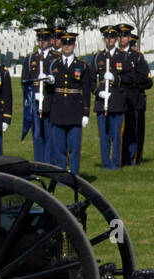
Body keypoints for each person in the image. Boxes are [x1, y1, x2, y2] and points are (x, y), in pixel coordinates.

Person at [44, 30, 92, 173]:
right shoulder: (54, 65)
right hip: (58, 110)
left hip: (74, 110)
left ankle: (74, 175)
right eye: (64, 43)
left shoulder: (82, 65)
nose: (66, 46)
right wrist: (49, 83)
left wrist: (86, 113)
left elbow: (86, 90)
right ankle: (61, 175)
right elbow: (49, 91)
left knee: (74, 147)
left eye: (69, 43)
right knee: (59, 147)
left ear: (74, 45)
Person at [92, 25, 127, 170]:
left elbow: (130, 77)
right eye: (106, 37)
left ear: (116, 39)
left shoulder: (123, 56)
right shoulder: (98, 57)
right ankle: (106, 163)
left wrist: (115, 78)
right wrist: (98, 91)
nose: (109, 40)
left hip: (117, 101)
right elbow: (91, 79)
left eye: (112, 37)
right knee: (103, 135)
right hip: (102, 101)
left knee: (116, 135)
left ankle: (116, 163)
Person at [22, 27, 58, 164]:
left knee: (50, 135)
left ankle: (49, 163)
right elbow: (25, 81)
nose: (41, 42)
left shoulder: (56, 57)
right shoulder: (30, 58)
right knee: (37, 135)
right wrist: (33, 94)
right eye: (39, 39)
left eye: (45, 39)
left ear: (50, 41)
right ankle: (39, 163)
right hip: (35, 102)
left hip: (50, 100)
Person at [117, 23, 150, 165]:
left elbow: (145, 79)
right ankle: (119, 158)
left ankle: (132, 159)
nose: (122, 38)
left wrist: (126, 79)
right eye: (119, 35)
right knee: (118, 132)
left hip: (133, 99)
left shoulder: (137, 57)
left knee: (132, 131)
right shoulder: (112, 55)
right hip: (117, 100)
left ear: (129, 37)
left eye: (125, 35)